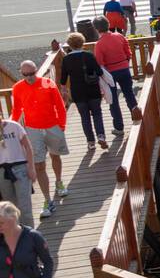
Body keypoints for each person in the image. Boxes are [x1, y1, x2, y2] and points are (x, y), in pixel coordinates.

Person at [8, 60, 68, 217]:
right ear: (21, 73)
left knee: (56, 156)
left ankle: (59, 182)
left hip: (53, 126)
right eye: (25, 74)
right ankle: (48, 200)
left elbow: (59, 105)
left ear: (36, 70)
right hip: (32, 129)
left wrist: (61, 126)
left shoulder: (48, 83)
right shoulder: (17, 87)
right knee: (39, 165)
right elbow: (17, 109)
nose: (29, 77)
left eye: (32, 73)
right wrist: (13, 128)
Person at [58, 33, 109, 151]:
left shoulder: (66, 59)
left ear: (70, 45)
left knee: (84, 117)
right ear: (82, 42)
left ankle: (90, 142)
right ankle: (101, 136)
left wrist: (64, 91)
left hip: (78, 92)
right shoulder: (89, 56)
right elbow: (99, 72)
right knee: (97, 114)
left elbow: (63, 79)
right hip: (93, 90)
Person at [93, 17, 134, 135]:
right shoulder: (119, 36)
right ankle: (136, 117)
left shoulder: (99, 44)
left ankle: (119, 127)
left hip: (110, 73)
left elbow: (99, 63)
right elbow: (128, 52)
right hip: (124, 68)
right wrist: (125, 64)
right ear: (108, 24)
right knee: (129, 94)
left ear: (96, 29)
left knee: (113, 100)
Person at [0, 117, 37, 227]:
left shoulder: (14, 126)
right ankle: (16, 237)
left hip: (20, 167)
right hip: (2, 171)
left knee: (24, 206)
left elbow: (28, 146)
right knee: (9, 209)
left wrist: (31, 168)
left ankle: (30, 236)